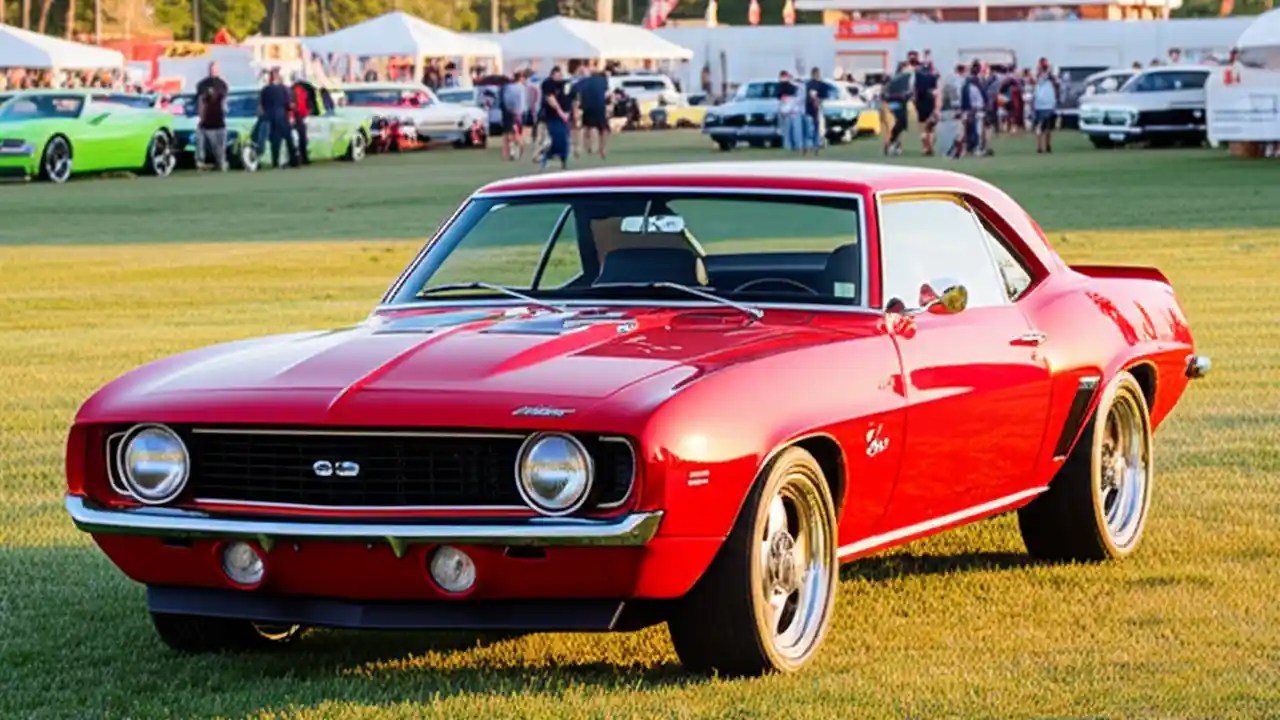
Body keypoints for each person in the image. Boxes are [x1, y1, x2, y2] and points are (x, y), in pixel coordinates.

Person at [258, 68, 297, 169]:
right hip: (282, 118)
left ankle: (275, 162)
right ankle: (293, 161)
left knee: (275, 142)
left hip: (271, 118)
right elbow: (288, 104)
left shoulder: (265, 90)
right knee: (289, 140)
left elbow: (262, 105)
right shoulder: (283, 89)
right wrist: (292, 107)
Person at [194, 62, 229, 172]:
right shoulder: (203, 84)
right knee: (201, 144)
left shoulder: (222, 84)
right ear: (209, 69)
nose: (213, 70)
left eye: (215, 69)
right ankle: (200, 162)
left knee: (219, 147)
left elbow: (224, 102)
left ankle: (220, 163)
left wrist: (224, 111)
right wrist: (201, 116)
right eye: (212, 68)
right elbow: (200, 101)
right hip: (206, 122)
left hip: (219, 122)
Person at [537, 66, 571, 172]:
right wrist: (561, 113)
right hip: (552, 116)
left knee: (564, 139)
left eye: (561, 75)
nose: (560, 77)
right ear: (552, 74)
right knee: (556, 138)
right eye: (558, 75)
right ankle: (546, 156)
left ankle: (563, 161)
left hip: (565, 115)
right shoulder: (547, 84)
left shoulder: (564, 84)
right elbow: (551, 100)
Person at [576, 61, 611, 160]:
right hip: (599, 107)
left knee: (587, 128)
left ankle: (586, 148)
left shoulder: (584, 81)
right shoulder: (603, 81)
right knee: (604, 129)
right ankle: (602, 149)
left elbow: (575, 91)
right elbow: (606, 93)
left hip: (587, 107)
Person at [959, 60, 987, 158]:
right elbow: (981, 97)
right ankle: (975, 148)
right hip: (975, 109)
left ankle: (969, 148)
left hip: (970, 109)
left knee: (969, 131)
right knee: (976, 130)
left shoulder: (966, 83)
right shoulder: (977, 82)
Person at [1032, 58, 1060, 154]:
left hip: (1042, 104)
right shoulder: (1043, 77)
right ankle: (1044, 146)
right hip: (1045, 104)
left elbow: (1056, 84)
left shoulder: (1046, 77)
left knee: (1042, 127)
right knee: (1045, 127)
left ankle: (1042, 146)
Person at [914, 57, 940, 155]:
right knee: (931, 128)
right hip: (930, 104)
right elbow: (936, 92)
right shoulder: (933, 77)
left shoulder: (917, 76)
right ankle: (931, 146)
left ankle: (925, 147)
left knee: (922, 128)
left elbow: (914, 91)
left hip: (920, 105)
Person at [500, 72, 527, 161]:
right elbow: (520, 102)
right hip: (517, 113)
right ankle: (518, 147)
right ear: (520, 78)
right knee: (516, 132)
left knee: (510, 132)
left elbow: (506, 101)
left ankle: (512, 151)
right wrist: (519, 111)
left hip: (509, 112)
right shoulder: (520, 88)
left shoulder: (508, 88)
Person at [802, 67, 828, 155]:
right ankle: (813, 147)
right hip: (814, 109)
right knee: (814, 129)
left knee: (810, 130)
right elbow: (823, 95)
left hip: (810, 109)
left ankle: (808, 148)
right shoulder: (817, 84)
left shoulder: (808, 84)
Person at [777, 71, 803, 152]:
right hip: (792, 111)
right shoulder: (794, 87)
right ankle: (796, 145)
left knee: (788, 130)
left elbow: (779, 97)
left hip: (788, 111)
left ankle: (789, 145)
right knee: (794, 130)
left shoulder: (782, 87)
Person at [291, 80, 311, 165]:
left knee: (299, 138)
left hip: (299, 115)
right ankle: (303, 158)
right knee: (302, 138)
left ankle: (300, 157)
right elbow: (302, 105)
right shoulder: (301, 92)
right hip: (299, 116)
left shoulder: (296, 91)